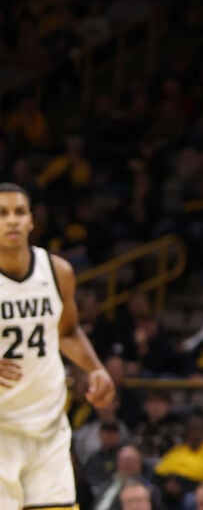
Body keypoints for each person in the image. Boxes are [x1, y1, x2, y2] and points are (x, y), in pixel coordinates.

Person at [0, 182, 116, 510]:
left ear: (31, 221)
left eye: (19, 212)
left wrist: (96, 369)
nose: (12, 220)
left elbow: (67, 332)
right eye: (2, 213)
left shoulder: (57, 271)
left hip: (46, 424)